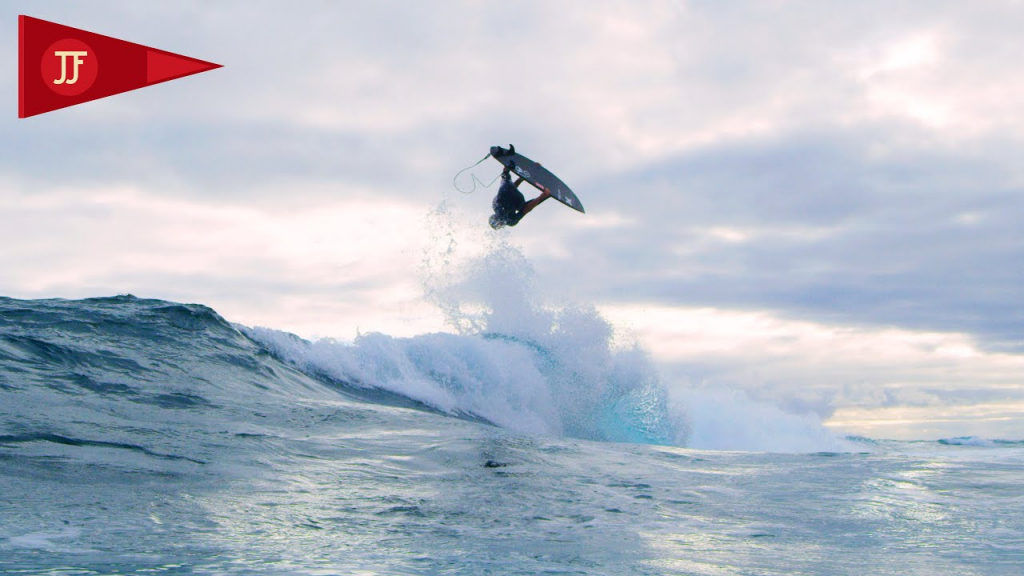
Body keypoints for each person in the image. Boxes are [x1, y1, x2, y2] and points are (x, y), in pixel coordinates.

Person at [489, 163, 552, 229]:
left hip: (517, 199)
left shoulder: (510, 222)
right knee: (505, 184)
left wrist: (543, 196)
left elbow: (527, 209)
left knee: (521, 207)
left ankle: (545, 194)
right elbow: (510, 190)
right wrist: (521, 179)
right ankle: (506, 172)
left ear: (500, 225)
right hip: (506, 189)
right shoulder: (495, 205)